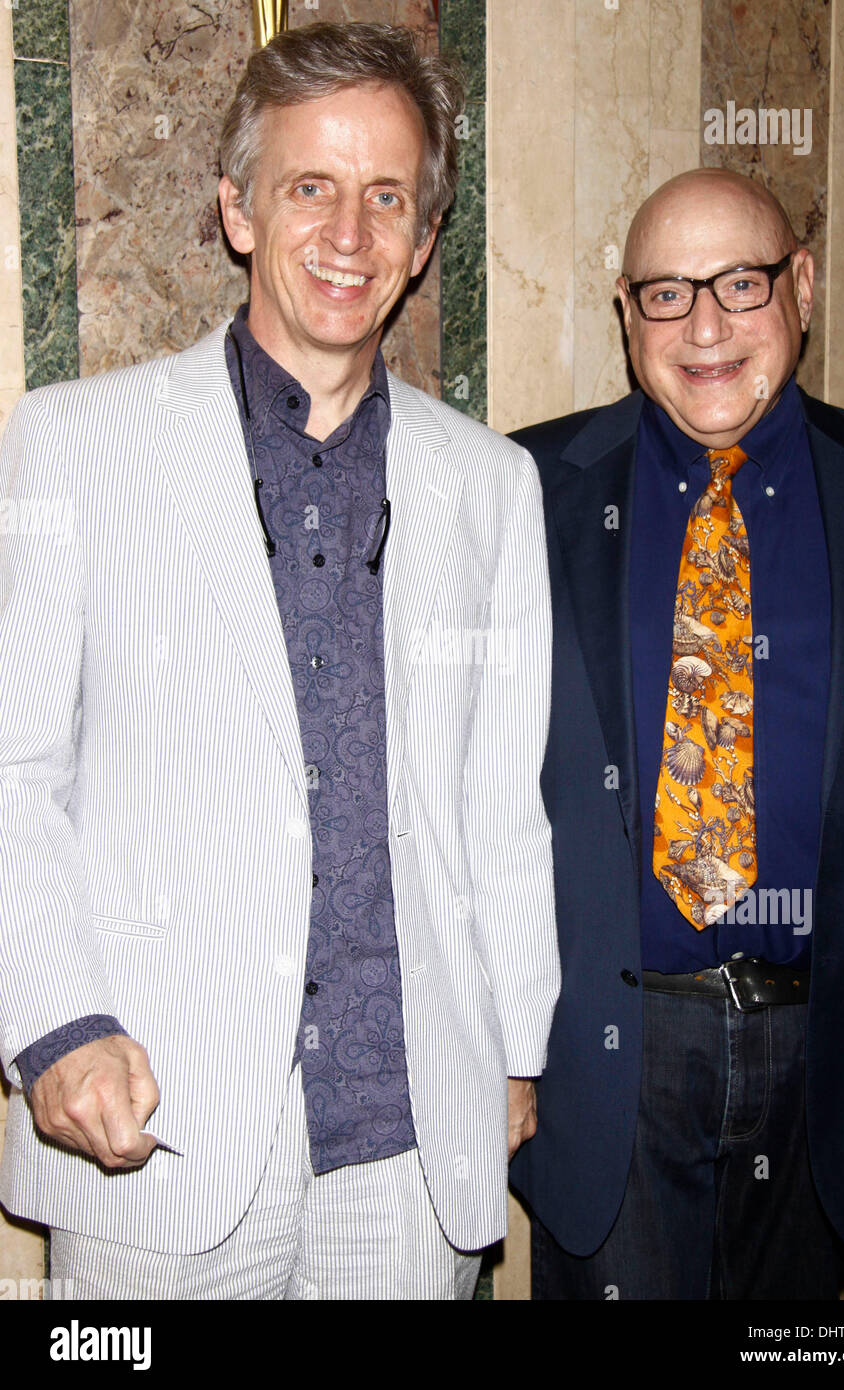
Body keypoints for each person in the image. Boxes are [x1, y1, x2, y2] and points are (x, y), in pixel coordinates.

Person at [0, 22, 558, 1301]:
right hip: (155, 1117)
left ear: (425, 243)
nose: (348, 236)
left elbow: (499, 804)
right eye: (310, 187)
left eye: (386, 199)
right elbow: (12, 772)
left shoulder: (491, 488)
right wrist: (56, 1026)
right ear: (237, 211)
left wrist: (512, 1044)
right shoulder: (77, 449)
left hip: (407, 1139)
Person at [509, 167, 844, 1300]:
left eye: (738, 283)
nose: (703, 327)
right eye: (664, 293)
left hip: (842, 1064)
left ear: (800, 286)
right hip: (611, 1054)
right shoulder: (519, 491)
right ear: (625, 317)